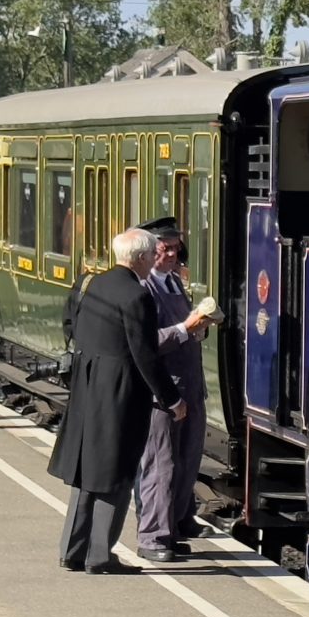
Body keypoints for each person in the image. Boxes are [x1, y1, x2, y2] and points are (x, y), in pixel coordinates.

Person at [48, 229, 186, 575]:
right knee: (115, 470)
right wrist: (172, 399)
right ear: (140, 259)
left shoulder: (90, 284)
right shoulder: (136, 297)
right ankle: (99, 555)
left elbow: (71, 324)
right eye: (151, 256)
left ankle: (72, 549)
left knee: (87, 470)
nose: (154, 261)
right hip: (120, 390)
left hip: (87, 385)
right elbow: (146, 355)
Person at [132, 217, 216, 562]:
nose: (170, 253)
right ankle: (152, 536)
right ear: (149, 252)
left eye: (174, 246)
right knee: (160, 464)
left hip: (191, 387)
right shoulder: (144, 289)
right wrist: (185, 327)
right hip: (164, 392)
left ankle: (175, 525)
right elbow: (146, 343)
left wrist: (199, 328)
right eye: (163, 248)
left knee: (186, 462)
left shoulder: (173, 283)